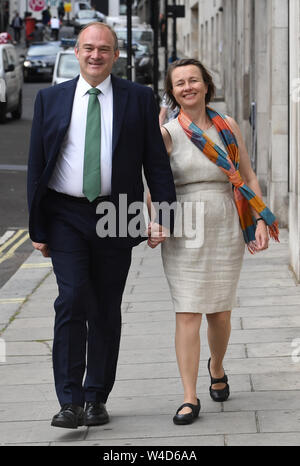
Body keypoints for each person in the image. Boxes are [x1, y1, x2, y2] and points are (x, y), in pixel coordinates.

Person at [27, 22, 176, 429]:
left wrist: (162, 216)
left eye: (104, 49)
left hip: (117, 212)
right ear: (76, 52)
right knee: (72, 299)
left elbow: (155, 163)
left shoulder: (138, 98)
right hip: (65, 214)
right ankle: (69, 401)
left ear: (116, 55)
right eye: (88, 48)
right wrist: (37, 228)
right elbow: (37, 167)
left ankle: (96, 397)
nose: (96, 55)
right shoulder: (50, 99)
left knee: (105, 308)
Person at [148, 58, 279, 425]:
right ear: (172, 93)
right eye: (179, 83)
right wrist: (154, 222)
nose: (187, 87)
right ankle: (189, 396)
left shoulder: (228, 127)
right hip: (184, 228)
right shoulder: (168, 132)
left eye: (193, 80)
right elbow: (153, 185)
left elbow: (248, 176)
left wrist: (260, 222)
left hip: (225, 221)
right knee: (188, 310)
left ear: (206, 85)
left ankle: (216, 366)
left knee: (220, 312)